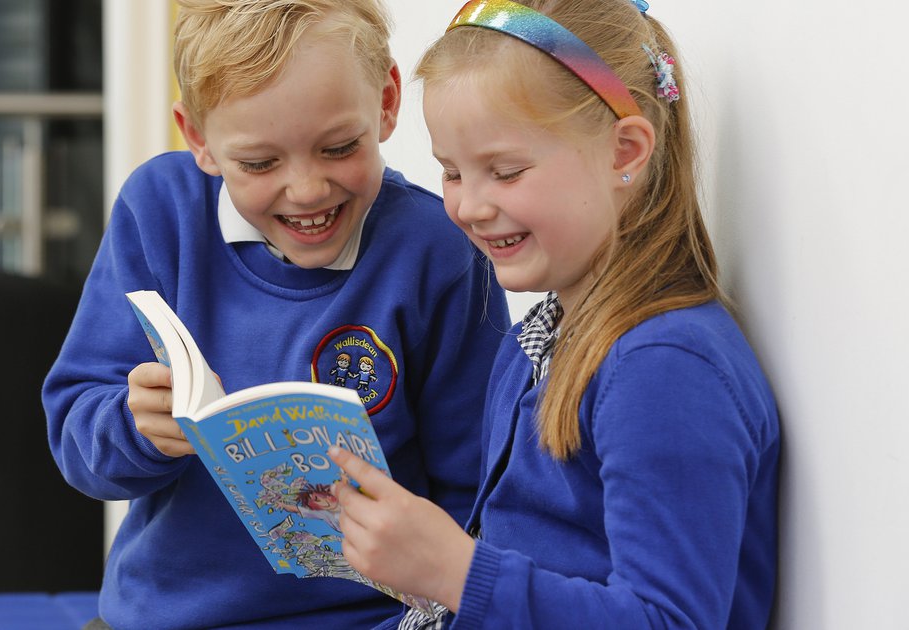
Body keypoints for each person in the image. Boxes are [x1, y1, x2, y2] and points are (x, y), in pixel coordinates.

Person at [42, 0, 510, 628]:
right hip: (159, 617)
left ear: (388, 101)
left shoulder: (441, 251)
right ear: (198, 139)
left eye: (339, 147)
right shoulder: (161, 210)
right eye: (260, 163)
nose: (308, 190)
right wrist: (135, 427)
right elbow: (76, 435)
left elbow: (480, 490)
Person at [328, 1, 781, 628]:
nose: (469, 207)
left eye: (505, 172)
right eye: (452, 173)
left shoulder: (665, 369)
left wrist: (454, 569)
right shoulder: (531, 347)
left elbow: (667, 620)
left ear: (625, 151)